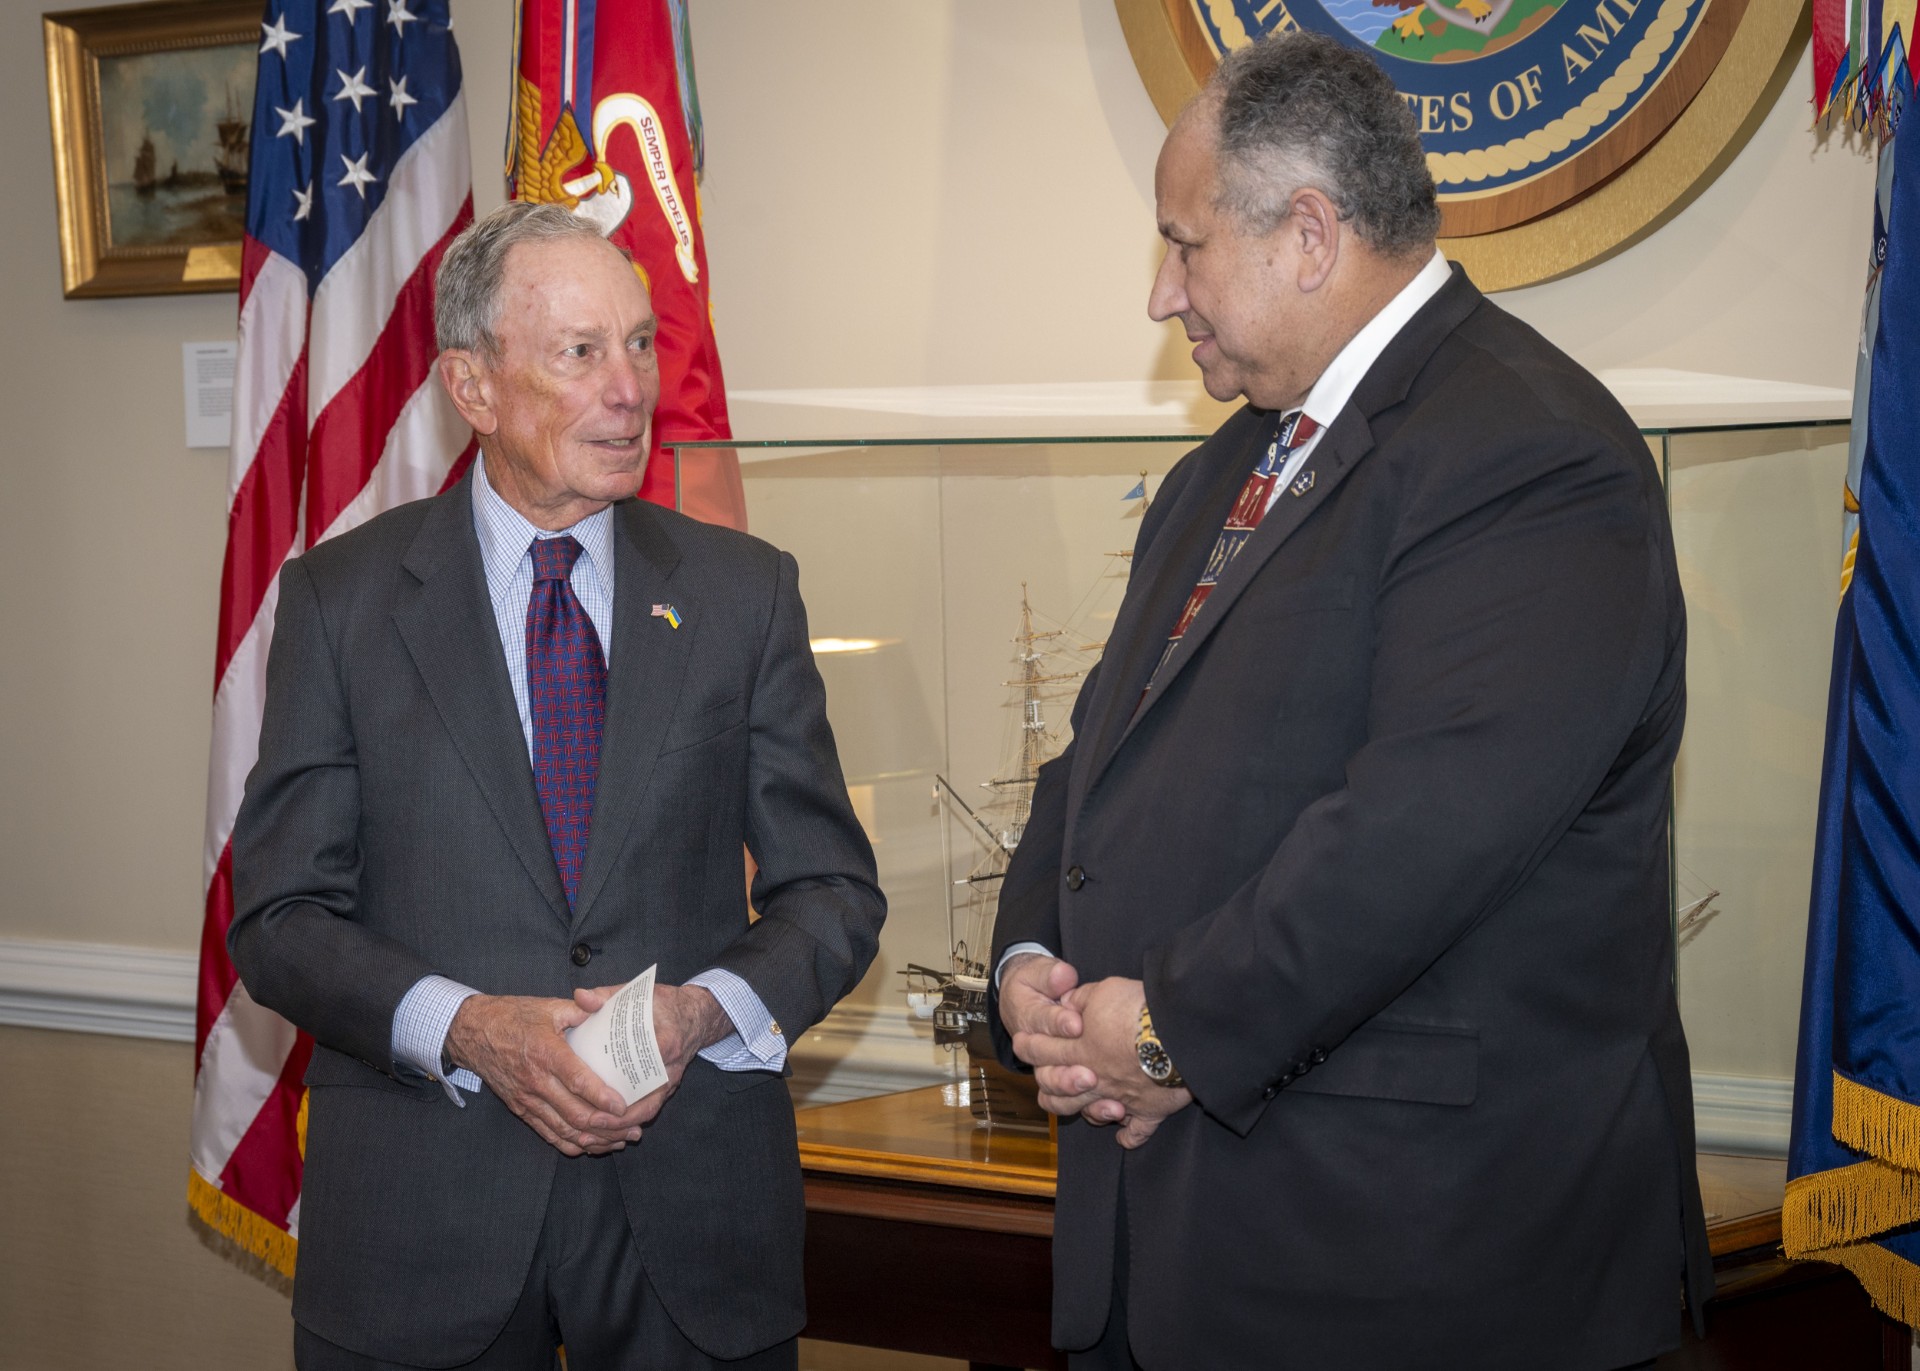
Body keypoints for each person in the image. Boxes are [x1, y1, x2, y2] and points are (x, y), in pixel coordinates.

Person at [989, 31, 1711, 1371]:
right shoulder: (1227, 469)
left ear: (1308, 235)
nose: (1161, 293)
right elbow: (1097, 757)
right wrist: (1030, 962)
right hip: (1180, 1243)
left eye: (1184, 244)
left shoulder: (1532, 451)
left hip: (1408, 1265)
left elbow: (1421, 828)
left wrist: (1164, 1028)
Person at [228, 200, 885, 1370]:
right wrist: (471, 1028)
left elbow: (832, 892)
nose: (631, 389)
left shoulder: (744, 594)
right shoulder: (344, 603)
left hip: (692, 1218)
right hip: (426, 1227)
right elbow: (280, 923)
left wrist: (703, 1015)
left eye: (639, 344)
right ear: (473, 390)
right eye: (581, 354)